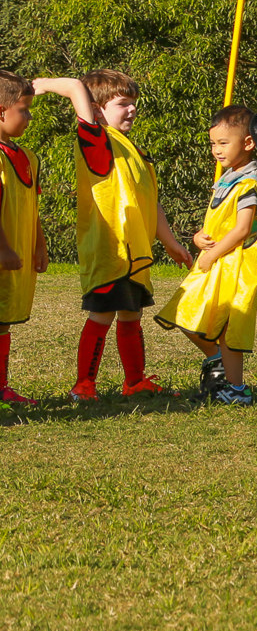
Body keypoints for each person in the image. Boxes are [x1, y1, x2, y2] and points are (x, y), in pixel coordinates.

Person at [66, 69, 193, 401]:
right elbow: (76, 93)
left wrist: (171, 243)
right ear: (96, 111)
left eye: (134, 103)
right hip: (111, 252)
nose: (132, 110)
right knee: (102, 315)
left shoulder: (132, 151)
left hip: (135, 254)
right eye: (123, 103)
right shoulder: (97, 142)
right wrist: (40, 87)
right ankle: (84, 385)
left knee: (132, 315)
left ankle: (135, 381)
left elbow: (151, 204)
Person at [155, 105, 257, 406]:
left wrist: (212, 254)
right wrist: (198, 238)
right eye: (213, 144)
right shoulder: (228, 178)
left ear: (247, 143)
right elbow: (219, 223)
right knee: (184, 311)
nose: (216, 151)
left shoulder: (249, 183)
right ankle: (216, 363)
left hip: (234, 267)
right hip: (216, 262)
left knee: (229, 329)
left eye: (223, 143)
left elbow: (242, 229)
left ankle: (235, 388)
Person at [0, 73, 57, 408]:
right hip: (4, 252)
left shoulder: (29, 157)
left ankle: (2, 387)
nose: (30, 117)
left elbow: (31, 206)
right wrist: (3, 247)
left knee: (3, 322)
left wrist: (39, 244)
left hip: (15, 258)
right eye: (24, 110)